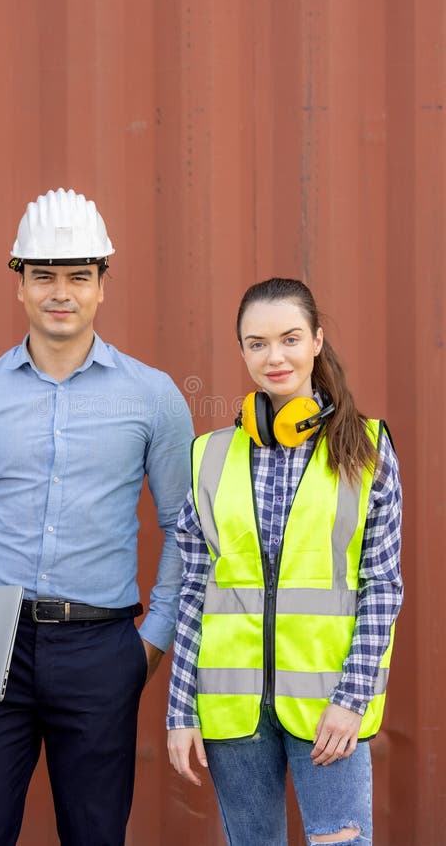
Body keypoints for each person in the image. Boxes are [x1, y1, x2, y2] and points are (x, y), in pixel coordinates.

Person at [0, 188, 194, 846]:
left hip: (102, 645)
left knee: (96, 834)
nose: (60, 292)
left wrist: (151, 642)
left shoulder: (153, 398)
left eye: (78, 276)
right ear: (20, 284)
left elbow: (186, 529)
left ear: (102, 284)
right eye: (44, 276)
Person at [166, 277, 402, 846]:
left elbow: (383, 587)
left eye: (290, 338)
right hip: (232, 711)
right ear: (242, 351)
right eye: (257, 343)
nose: (275, 357)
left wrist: (352, 700)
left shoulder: (366, 448)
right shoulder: (210, 455)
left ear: (318, 341)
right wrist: (180, 711)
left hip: (328, 709)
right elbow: (195, 589)